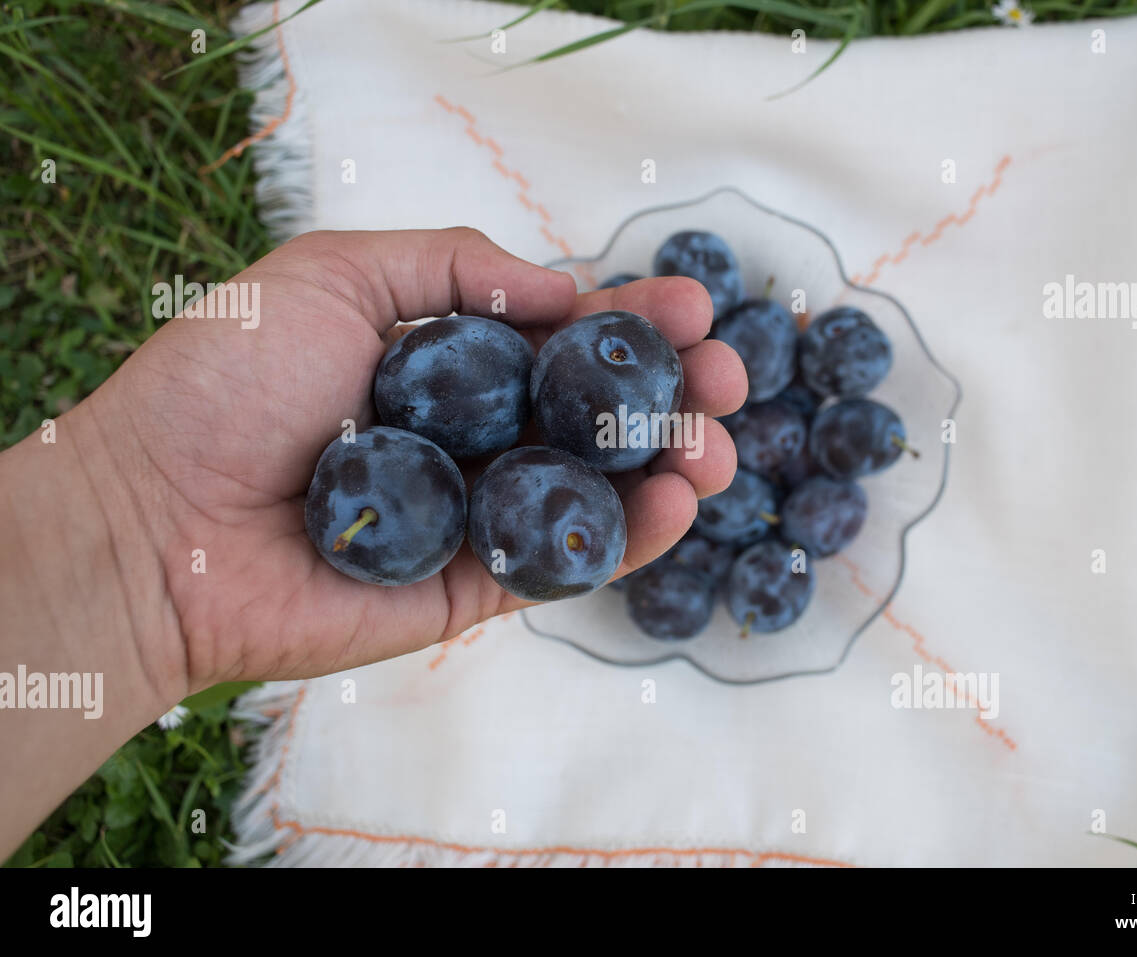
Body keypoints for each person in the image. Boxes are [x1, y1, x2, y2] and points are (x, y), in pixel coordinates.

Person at [0, 228, 745, 857]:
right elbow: (420, 400)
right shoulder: (423, 453)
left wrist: (127, 529)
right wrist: (131, 520)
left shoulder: (494, 467)